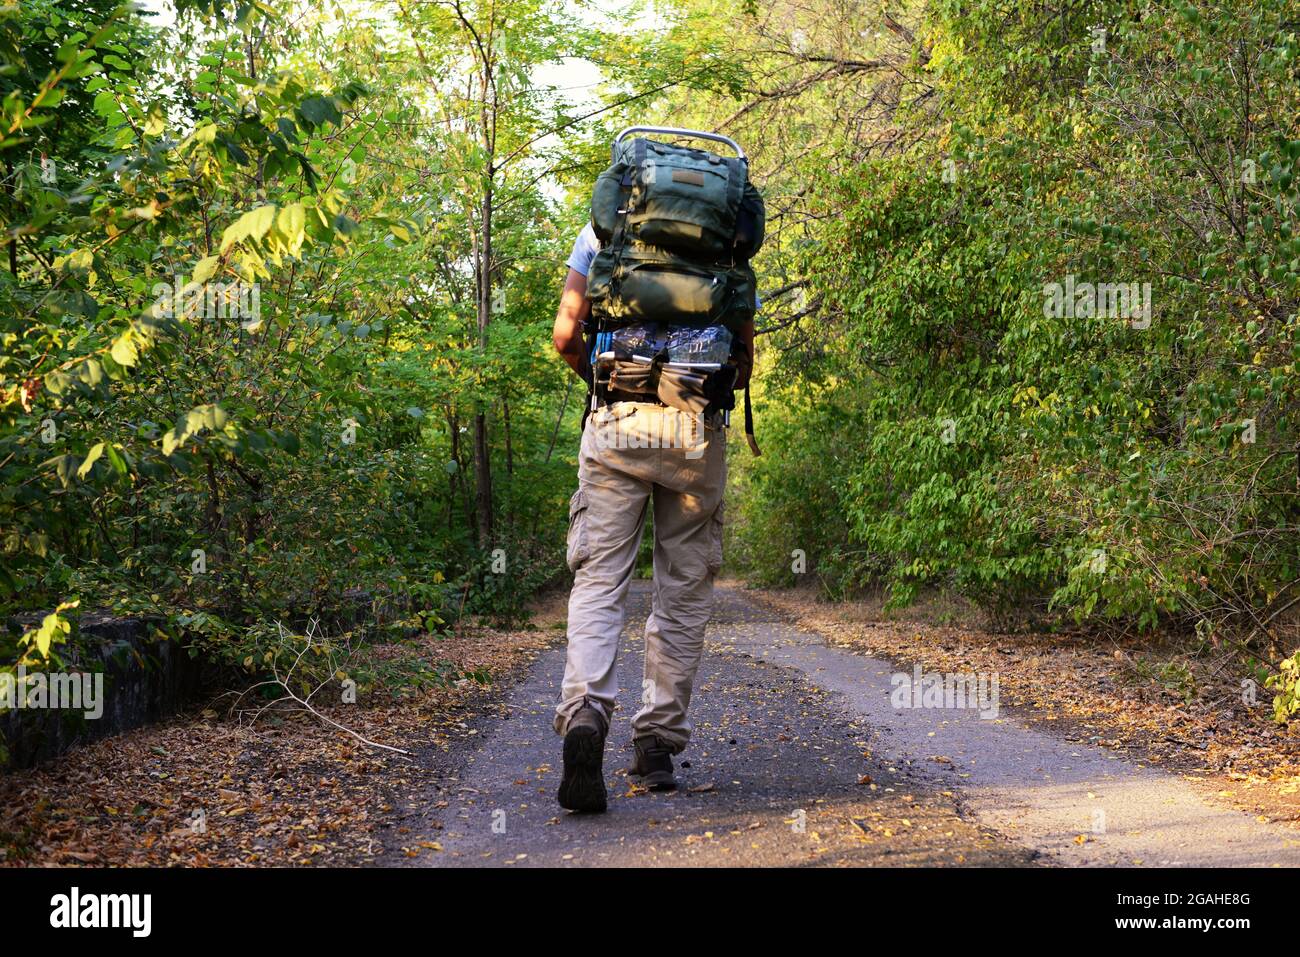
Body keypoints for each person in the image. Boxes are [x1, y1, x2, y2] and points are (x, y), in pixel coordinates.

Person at [551, 222, 754, 813]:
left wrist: (606, 389)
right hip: (694, 435)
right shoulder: (729, 241)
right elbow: (742, 362)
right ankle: (658, 744)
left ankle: (587, 711)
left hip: (617, 423)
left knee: (599, 580)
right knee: (683, 590)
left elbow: (567, 336)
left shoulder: (601, 231)